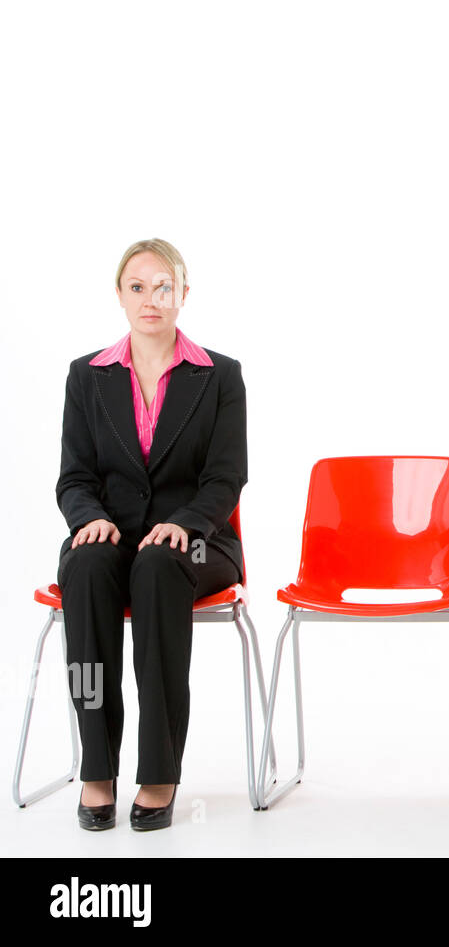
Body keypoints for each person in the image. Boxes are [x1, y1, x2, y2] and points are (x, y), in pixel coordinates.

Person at [56, 239, 248, 831]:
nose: (150, 299)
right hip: (110, 535)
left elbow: (225, 477)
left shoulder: (219, 376)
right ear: (120, 295)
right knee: (85, 569)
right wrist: (89, 518)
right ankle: (96, 765)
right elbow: (74, 476)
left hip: (197, 541)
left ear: (183, 295)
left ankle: (159, 768)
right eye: (137, 286)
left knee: (161, 565)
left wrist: (185, 522)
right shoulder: (86, 376)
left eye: (163, 287)